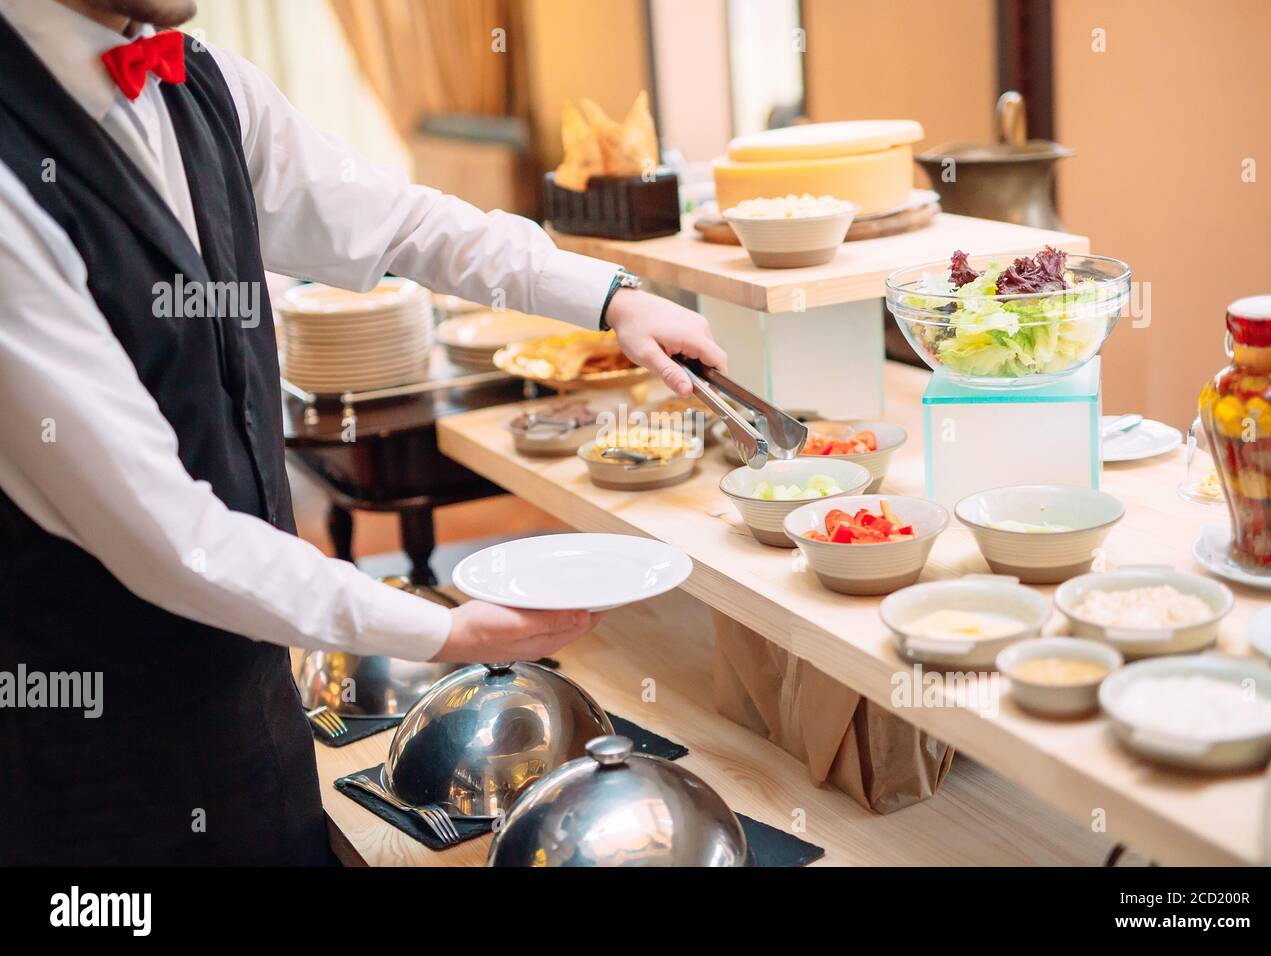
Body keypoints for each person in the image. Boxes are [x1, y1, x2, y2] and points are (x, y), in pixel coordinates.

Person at [0, 0, 727, 864]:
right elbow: (168, 536)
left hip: (255, 706)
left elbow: (404, 221)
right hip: (92, 759)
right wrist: (441, 631)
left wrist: (611, 298)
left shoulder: (208, 83)